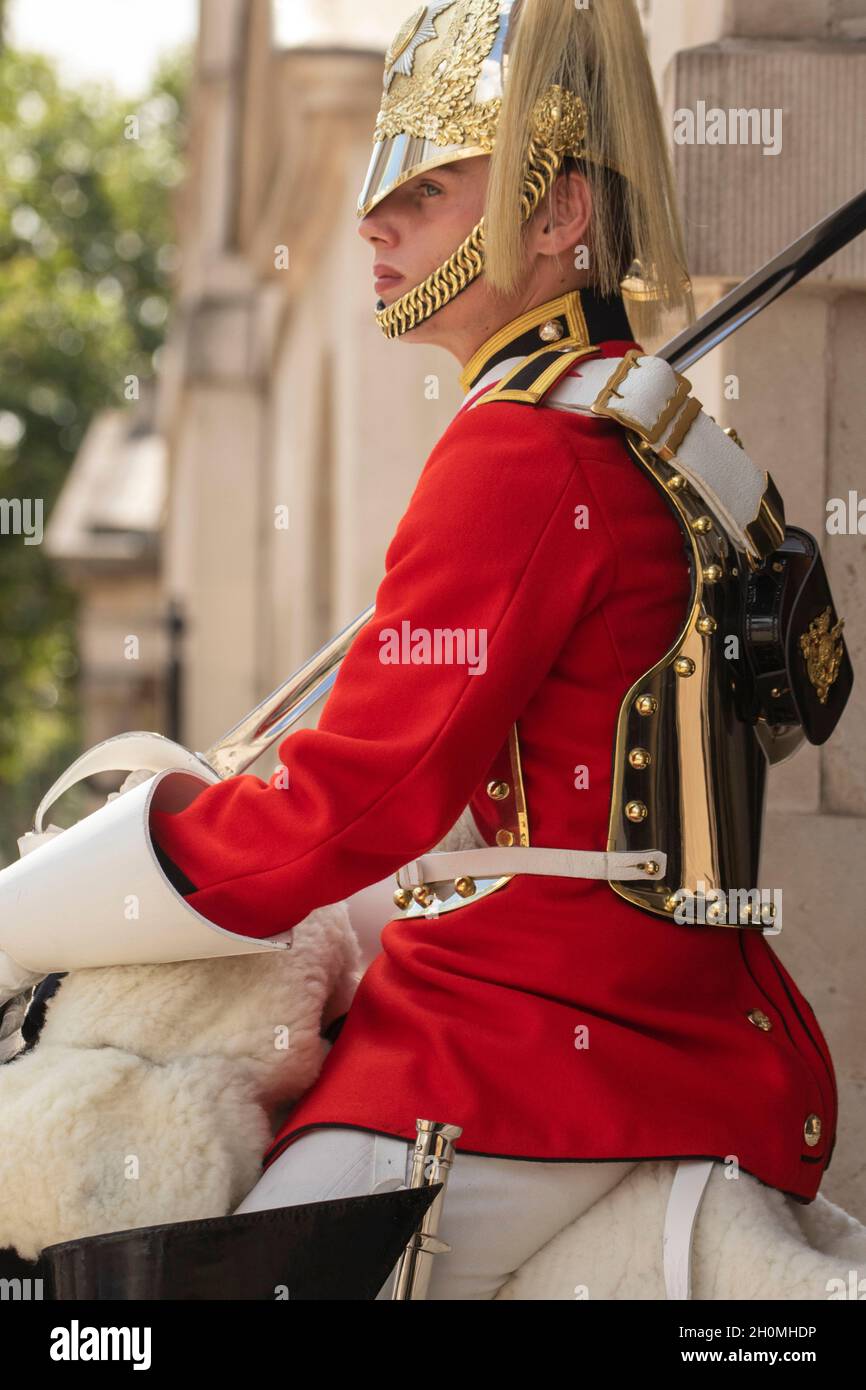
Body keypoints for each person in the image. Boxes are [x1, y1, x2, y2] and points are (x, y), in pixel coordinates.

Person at [0, 0, 840, 1300]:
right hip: (671, 1007)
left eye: (431, 188)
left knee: (190, 1299)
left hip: (536, 1035)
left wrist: (43, 910)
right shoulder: (659, 440)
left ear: (555, 216)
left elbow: (353, 806)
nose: (372, 224)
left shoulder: (521, 448)